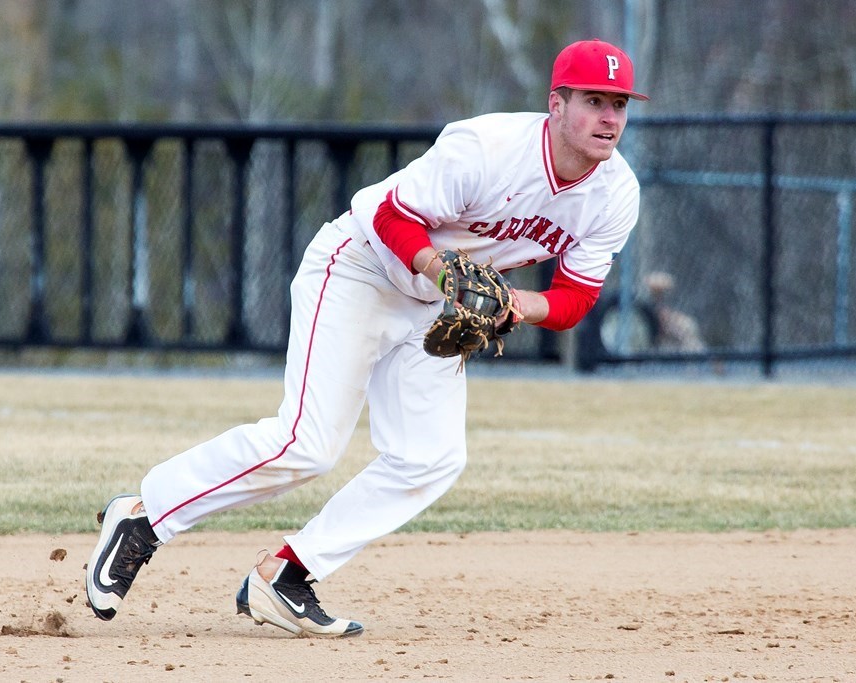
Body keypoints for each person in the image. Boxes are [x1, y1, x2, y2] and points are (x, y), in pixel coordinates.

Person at [85, 38, 648, 638]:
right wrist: (447, 273)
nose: (609, 117)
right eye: (593, 100)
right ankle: (145, 516)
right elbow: (390, 218)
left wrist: (512, 305)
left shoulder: (616, 193)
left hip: (432, 305)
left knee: (430, 457)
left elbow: (575, 300)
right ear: (556, 104)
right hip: (361, 267)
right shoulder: (486, 148)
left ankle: (288, 574)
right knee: (307, 444)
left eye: (619, 103)